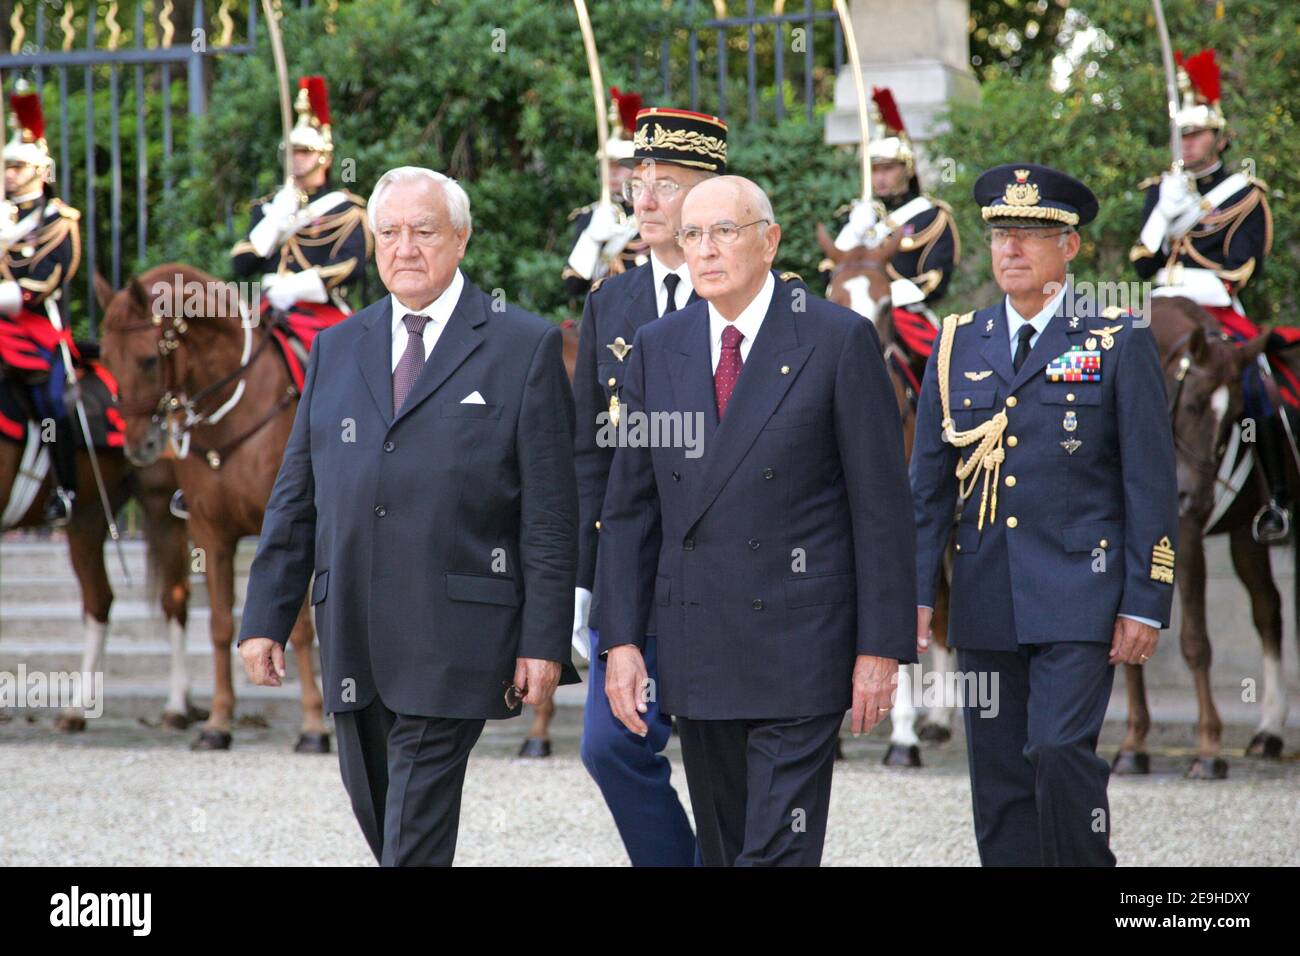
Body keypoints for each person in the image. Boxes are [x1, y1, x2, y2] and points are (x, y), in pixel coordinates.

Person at [236, 166, 578, 866]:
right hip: (352, 633)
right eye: (389, 233)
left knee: (413, 830)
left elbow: (548, 513)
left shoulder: (523, 345)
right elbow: (298, 494)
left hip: (458, 634)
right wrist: (266, 615)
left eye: (424, 231)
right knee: (383, 818)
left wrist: (545, 639)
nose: (405, 248)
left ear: (461, 238)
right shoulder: (338, 346)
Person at [597, 175, 916, 866]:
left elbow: (882, 508)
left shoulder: (836, 339)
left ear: (769, 241)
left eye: (724, 231)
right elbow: (630, 509)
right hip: (698, 644)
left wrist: (880, 648)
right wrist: (619, 640)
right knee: (725, 849)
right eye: (692, 234)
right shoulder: (658, 346)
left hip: (802, 648)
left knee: (777, 853)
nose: (705, 249)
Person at [913, 163, 1178, 866]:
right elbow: (927, 491)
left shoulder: (1116, 338)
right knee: (999, 783)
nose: (1011, 248)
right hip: (985, 595)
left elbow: (1149, 481)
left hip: (1081, 595)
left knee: (1059, 751)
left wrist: (1146, 600)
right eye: (1001, 233)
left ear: (1070, 247)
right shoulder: (956, 343)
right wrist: (911, 596)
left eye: (1031, 234)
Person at [573, 105, 730, 866]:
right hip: (633, 567)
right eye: (641, 181)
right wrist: (581, 582)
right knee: (609, 745)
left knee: (721, 763)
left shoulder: (744, 291)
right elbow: (588, 454)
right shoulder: (612, 301)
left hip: (727, 569)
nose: (647, 198)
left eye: (668, 183)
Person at [1129, 49, 1279, 541]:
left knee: (1258, 382)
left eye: (1196, 134)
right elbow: (1142, 263)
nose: (1188, 143)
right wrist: (1163, 214)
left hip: (1213, 305)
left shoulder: (1244, 194)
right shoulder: (1161, 189)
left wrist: (1189, 225)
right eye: (1182, 135)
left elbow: (1242, 267)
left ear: (1220, 138)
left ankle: (1275, 495)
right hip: (1158, 306)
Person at [0, 86, 82, 526]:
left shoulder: (58, 221)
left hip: (36, 329)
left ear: (39, 170)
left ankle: (65, 490)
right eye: (6, 167)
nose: (9, 175)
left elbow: (45, 282)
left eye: (17, 167)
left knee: (54, 402)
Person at [832, 86, 959, 363]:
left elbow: (936, 279)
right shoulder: (857, 215)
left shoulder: (931, 216)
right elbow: (829, 271)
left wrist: (887, 294)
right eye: (874, 170)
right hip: (852, 312)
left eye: (888, 169)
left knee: (938, 364)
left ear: (908, 169)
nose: (879, 178)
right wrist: (852, 233)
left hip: (904, 313)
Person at [561, 87, 647, 305]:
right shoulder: (591, 215)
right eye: (607, 165)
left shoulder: (651, 211)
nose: (611, 172)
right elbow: (573, 286)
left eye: (619, 165)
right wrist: (591, 240)